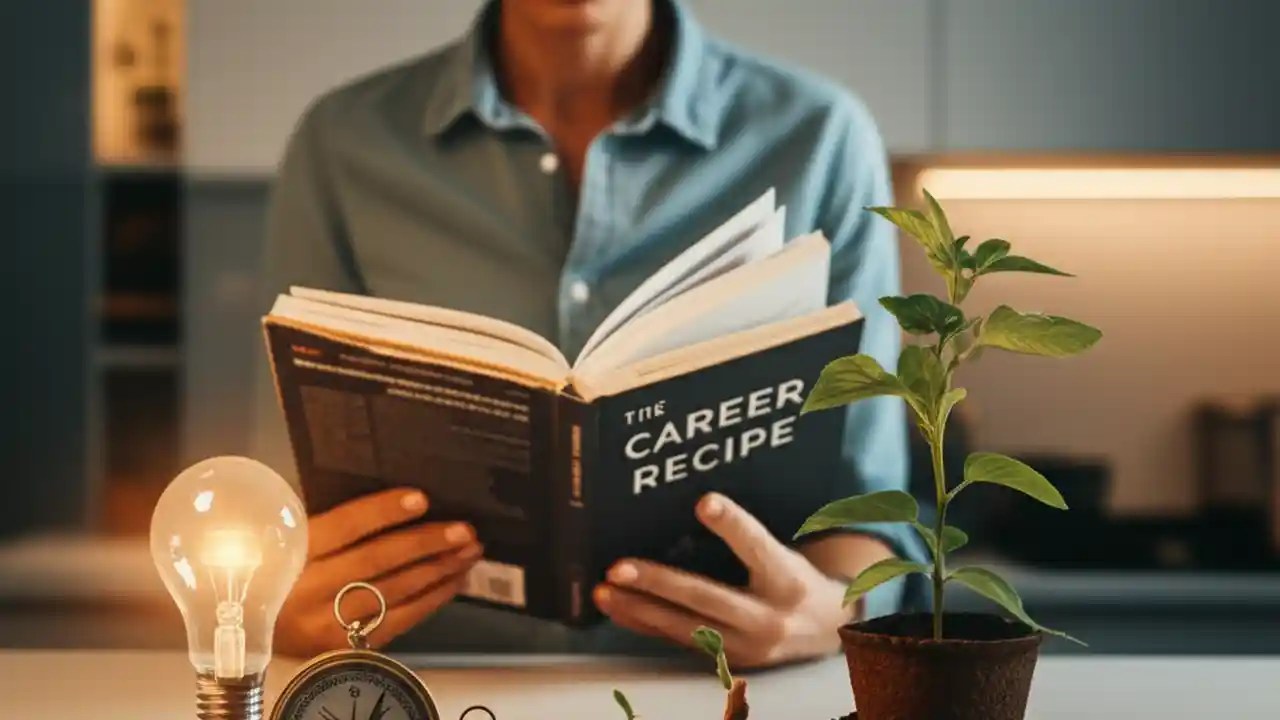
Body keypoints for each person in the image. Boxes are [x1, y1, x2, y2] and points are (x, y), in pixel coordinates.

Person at [254, 0, 923, 668]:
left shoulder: (819, 137)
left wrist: (830, 610)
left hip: (715, 697)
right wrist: (279, 606)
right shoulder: (343, 144)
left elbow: (863, 508)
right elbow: (276, 516)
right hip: (424, 690)